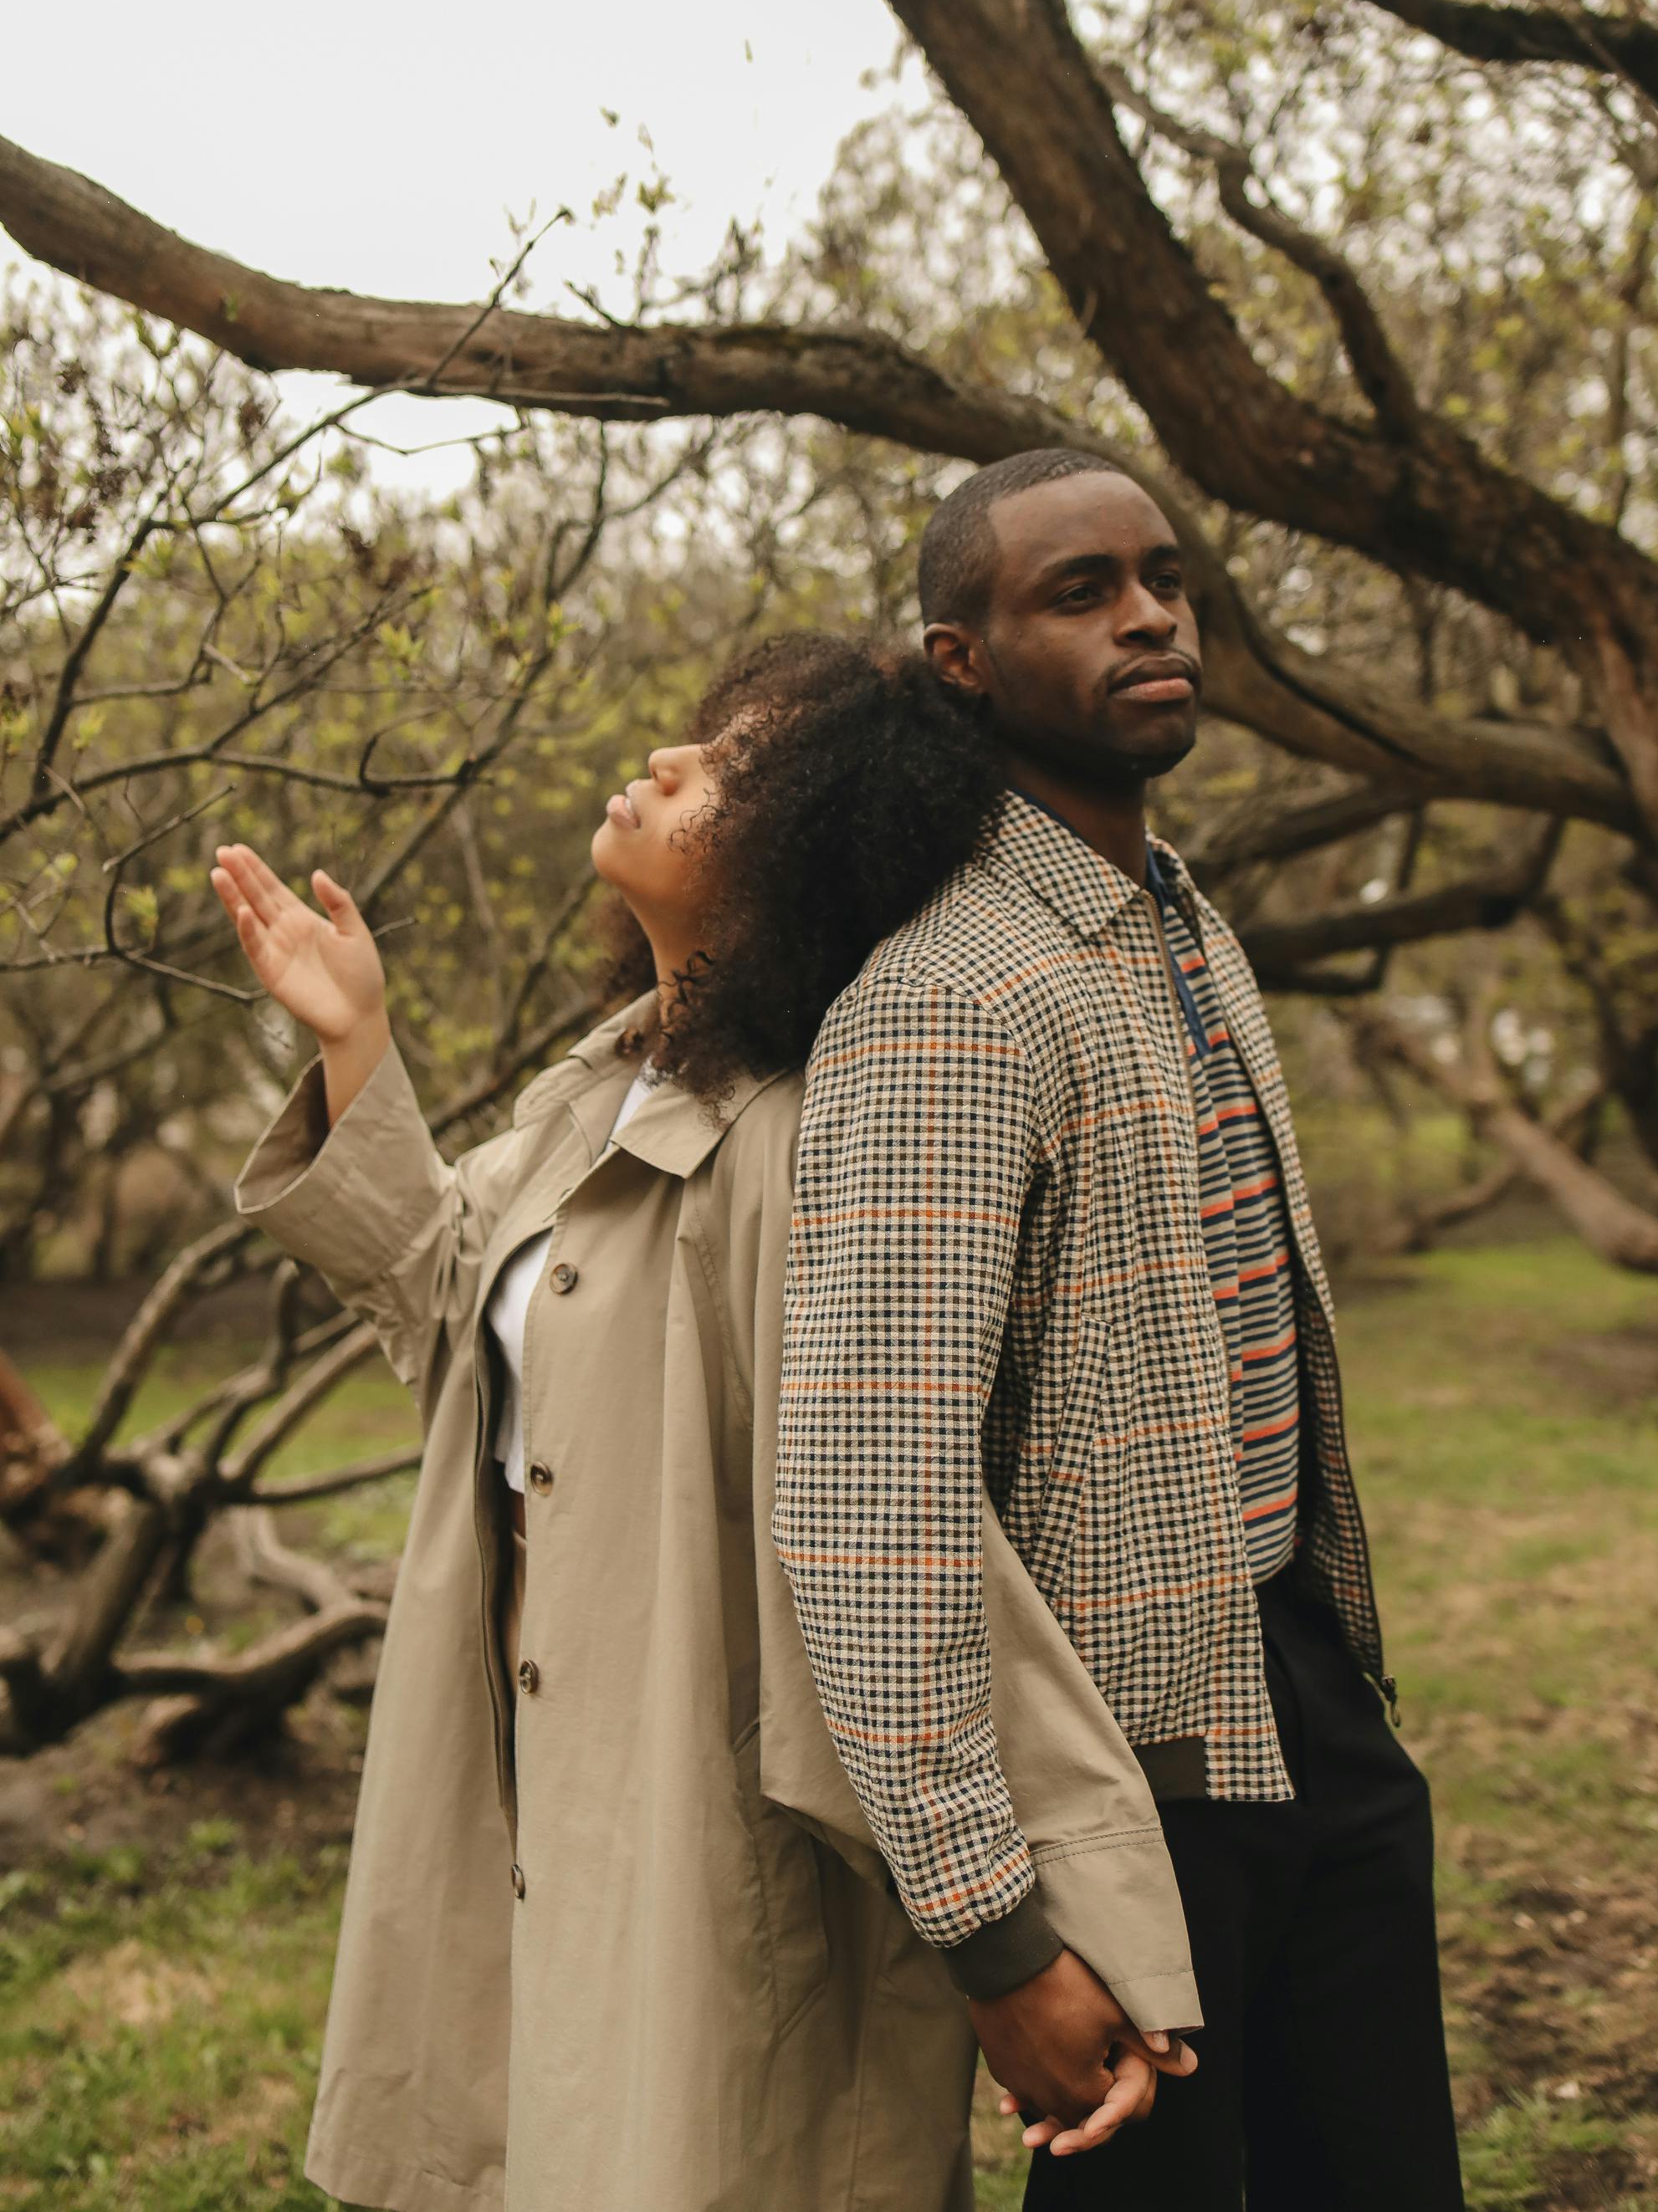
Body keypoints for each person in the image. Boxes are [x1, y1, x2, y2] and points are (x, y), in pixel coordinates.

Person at [213, 632, 1198, 2212]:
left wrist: (1059, 1922)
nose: (668, 762)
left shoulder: (800, 1142)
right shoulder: (596, 1088)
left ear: (803, 844)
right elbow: (446, 1300)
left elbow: (903, 1528)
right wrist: (357, 1047)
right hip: (544, 1756)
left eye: (726, 767)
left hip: (712, 1806)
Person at [776, 454, 1466, 2209]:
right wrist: (992, 1928)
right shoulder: (944, 999)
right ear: (960, 661)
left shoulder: (1182, 922)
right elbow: (872, 1506)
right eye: (1078, 591)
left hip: (1298, 1683)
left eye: (1164, 576)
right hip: (1122, 1767)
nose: (1150, 614)